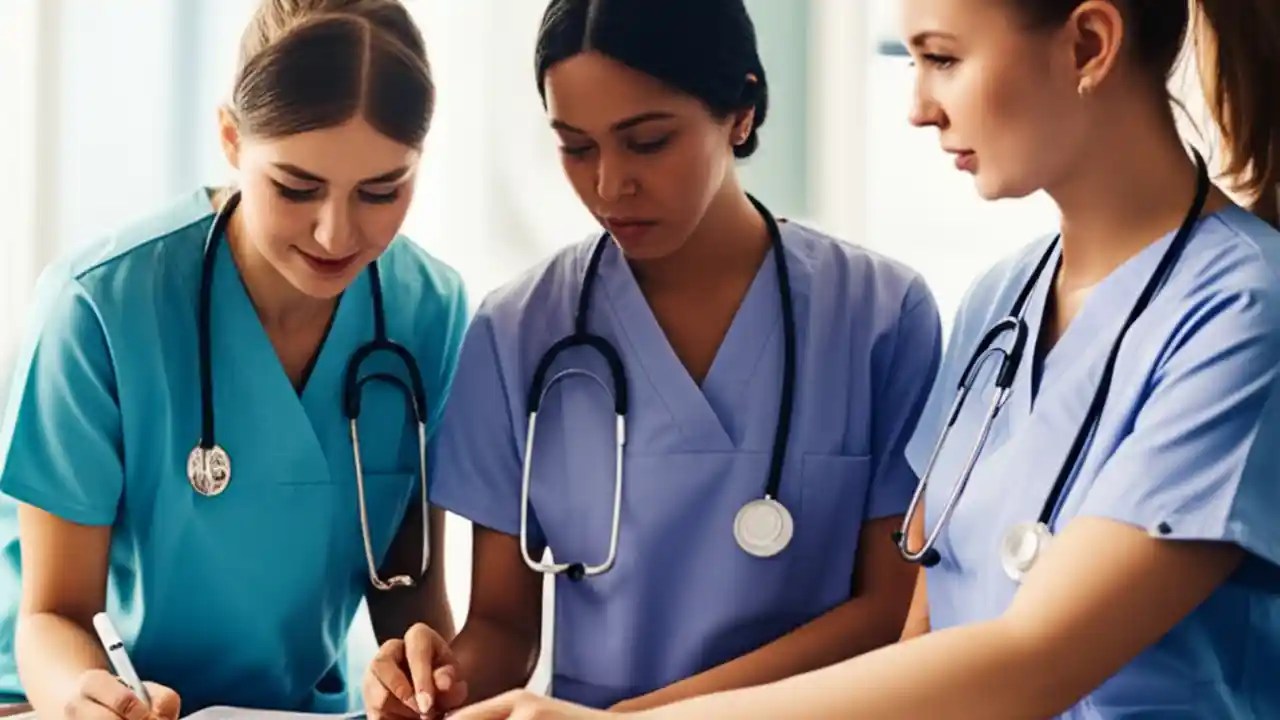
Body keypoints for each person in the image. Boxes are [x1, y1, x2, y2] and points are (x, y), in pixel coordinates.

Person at [445, 0, 1280, 718]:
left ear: (1090, 43)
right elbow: (924, 622)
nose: (918, 106)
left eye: (942, 59)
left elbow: (1034, 659)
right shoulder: (1002, 303)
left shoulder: (1245, 309)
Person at [363, 0, 943, 716]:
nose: (609, 185)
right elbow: (505, 629)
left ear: (741, 111)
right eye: (576, 146)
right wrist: (437, 681)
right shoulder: (518, 329)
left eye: (648, 142)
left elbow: (890, 615)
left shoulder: (880, 315)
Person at [0, 0, 467, 717]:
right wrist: (83, 698)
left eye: (382, 190)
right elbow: (53, 614)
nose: (335, 232)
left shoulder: (426, 311)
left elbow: (406, 592)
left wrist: (416, 674)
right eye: (295, 187)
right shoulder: (100, 306)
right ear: (230, 138)